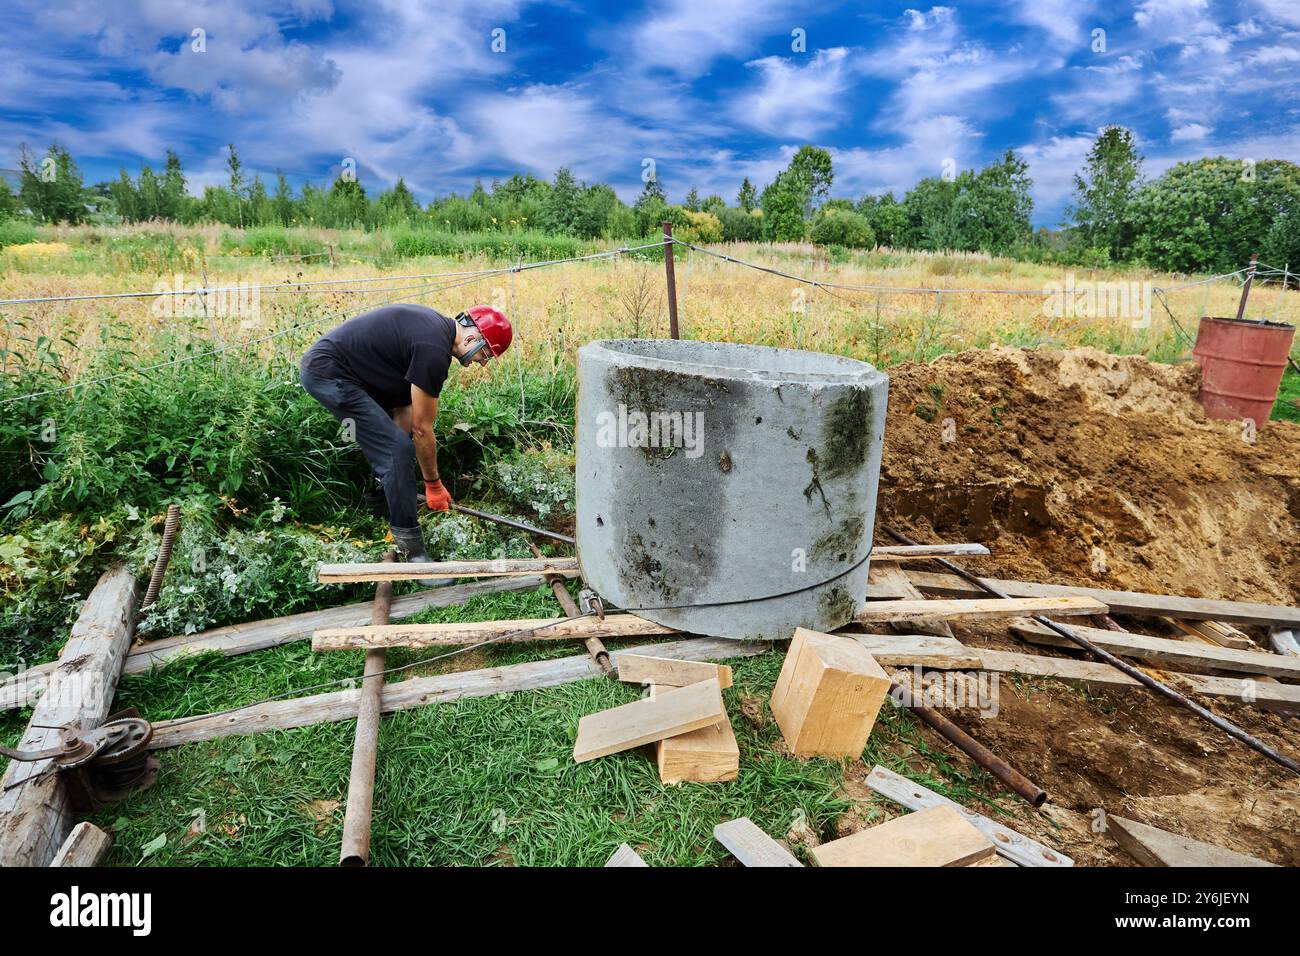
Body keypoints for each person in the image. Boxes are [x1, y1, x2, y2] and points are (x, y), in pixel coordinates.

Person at [299, 303, 513, 583]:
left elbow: (405, 410)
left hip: (353, 371)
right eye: (485, 354)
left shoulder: (435, 334)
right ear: (473, 338)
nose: (481, 363)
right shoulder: (433, 350)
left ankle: (382, 499)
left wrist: (398, 467)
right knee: (396, 451)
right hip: (331, 374)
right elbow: (423, 429)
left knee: (395, 446)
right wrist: (433, 485)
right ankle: (414, 556)